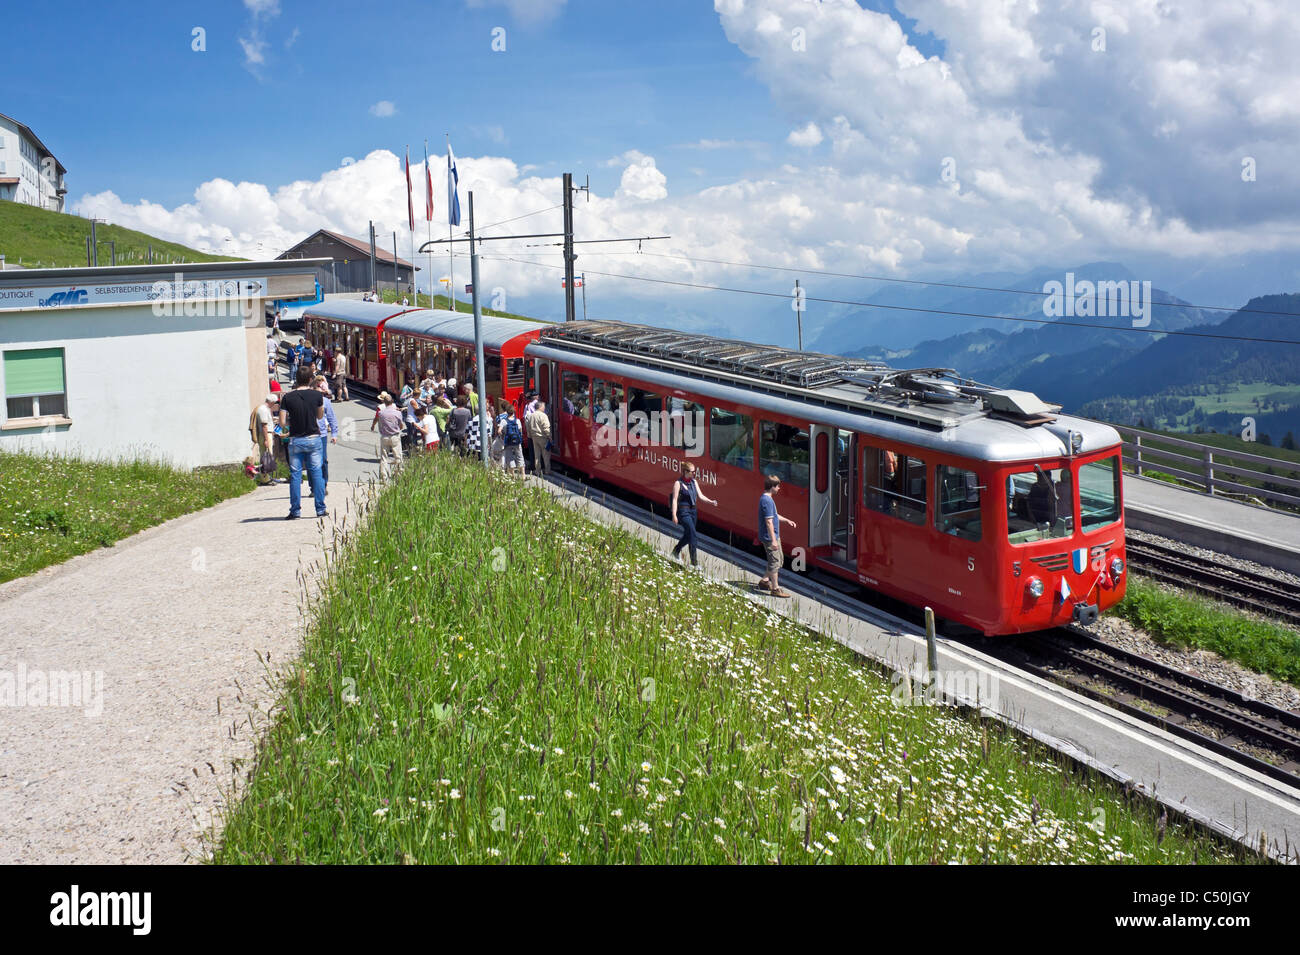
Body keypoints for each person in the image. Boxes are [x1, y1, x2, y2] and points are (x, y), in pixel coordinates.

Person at [278, 365, 327, 520]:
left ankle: (295, 511)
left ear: (296, 379)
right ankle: (320, 509)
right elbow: (320, 417)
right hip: (313, 438)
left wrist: (292, 422)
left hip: (295, 440)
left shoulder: (287, 397)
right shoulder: (317, 396)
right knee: (317, 473)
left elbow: (282, 422)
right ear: (311, 379)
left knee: (295, 475)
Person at [671, 461, 717, 568]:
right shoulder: (678, 484)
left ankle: (676, 550)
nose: (694, 474)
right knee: (693, 536)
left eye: (694, 472)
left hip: (693, 512)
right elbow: (674, 500)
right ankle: (694, 563)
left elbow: (700, 496)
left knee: (688, 535)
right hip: (683, 512)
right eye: (692, 472)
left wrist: (711, 501)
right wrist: (674, 515)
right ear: (686, 472)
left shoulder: (694, 482)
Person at [757, 474, 796, 597]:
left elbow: (774, 515)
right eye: (778, 486)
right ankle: (775, 589)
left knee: (778, 561)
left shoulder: (768, 499)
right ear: (772, 487)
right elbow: (769, 521)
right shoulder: (767, 501)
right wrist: (773, 540)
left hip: (773, 536)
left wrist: (787, 520)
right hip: (770, 538)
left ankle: (764, 581)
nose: (779, 488)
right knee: (774, 562)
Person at [312, 375, 339, 491]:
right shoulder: (309, 400)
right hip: (310, 433)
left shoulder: (326, 402)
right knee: (311, 462)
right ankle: (313, 487)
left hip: (322, 435)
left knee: (323, 460)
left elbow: (332, 418)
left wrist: (334, 434)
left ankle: (324, 484)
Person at [371, 391, 405, 479]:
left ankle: (383, 476)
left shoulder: (381, 413)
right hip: (395, 436)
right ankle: (399, 474)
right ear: (392, 401)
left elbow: (377, 420)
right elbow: (401, 425)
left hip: (384, 437)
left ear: (384, 402)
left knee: (384, 457)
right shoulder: (398, 413)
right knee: (398, 456)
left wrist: (373, 426)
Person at [252, 393, 279, 482]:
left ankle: (266, 477)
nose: (274, 404)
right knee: (266, 457)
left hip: (267, 434)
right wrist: (266, 439)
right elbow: (264, 426)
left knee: (267, 456)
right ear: (271, 402)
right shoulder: (263, 409)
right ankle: (265, 478)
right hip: (266, 434)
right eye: (274, 402)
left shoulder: (264, 409)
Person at [499, 399, 526, 476]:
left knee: (510, 457)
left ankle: (513, 475)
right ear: (513, 411)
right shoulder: (517, 420)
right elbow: (520, 430)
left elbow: (499, 431)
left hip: (508, 441)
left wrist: (502, 436)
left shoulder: (504, 421)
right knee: (520, 456)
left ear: (507, 412)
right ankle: (523, 474)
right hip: (517, 441)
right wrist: (519, 436)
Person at [526, 398, 552, 475]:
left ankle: (537, 471)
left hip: (534, 437)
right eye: (543, 406)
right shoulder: (543, 415)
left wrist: (530, 435)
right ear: (540, 407)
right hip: (542, 437)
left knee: (537, 455)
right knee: (546, 455)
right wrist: (549, 436)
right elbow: (546, 427)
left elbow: (528, 426)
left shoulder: (531, 415)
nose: (544, 408)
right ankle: (547, 470)